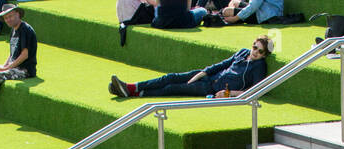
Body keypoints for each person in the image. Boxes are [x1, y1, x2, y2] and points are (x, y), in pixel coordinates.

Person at [110, 35, 272, 98]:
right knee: (170, 77)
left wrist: (228, 93)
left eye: (260, 51)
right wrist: (203, 72)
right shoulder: (243, 52)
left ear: (264, 54)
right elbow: (222, 65)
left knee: (172, 88)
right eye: (254, 47)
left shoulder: (259, 66)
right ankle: (131, 87)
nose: (255, 52)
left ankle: (134, 93)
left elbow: (256, 90)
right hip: (209, 77)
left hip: (211, 89)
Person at [220, 0, 286, 25]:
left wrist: (236, 18)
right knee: (233, 2)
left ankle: (235, 20)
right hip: (264, 10)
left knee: (226, 11)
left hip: (265, 16)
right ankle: (234, 17)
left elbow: (253, 6)